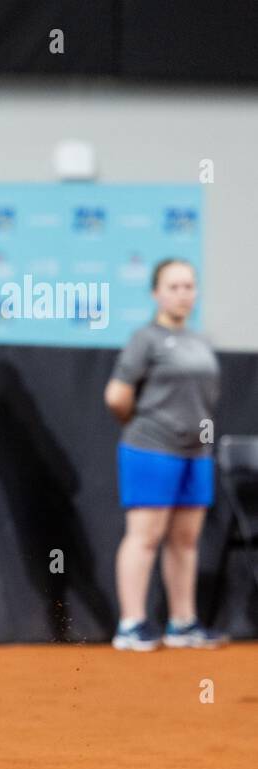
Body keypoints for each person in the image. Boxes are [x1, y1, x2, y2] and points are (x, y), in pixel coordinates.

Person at [104, 258, 227, 651]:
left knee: (186, 540)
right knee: (145, 536)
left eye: (188, 286)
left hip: (196, 453)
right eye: (173, 286)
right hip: (151, 449)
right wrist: (147, 427)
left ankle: (182, 623)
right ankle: (131, 624)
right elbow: (117, 396)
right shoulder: (146, 339)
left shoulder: (201, 340)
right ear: (156, 293)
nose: (182, 294)